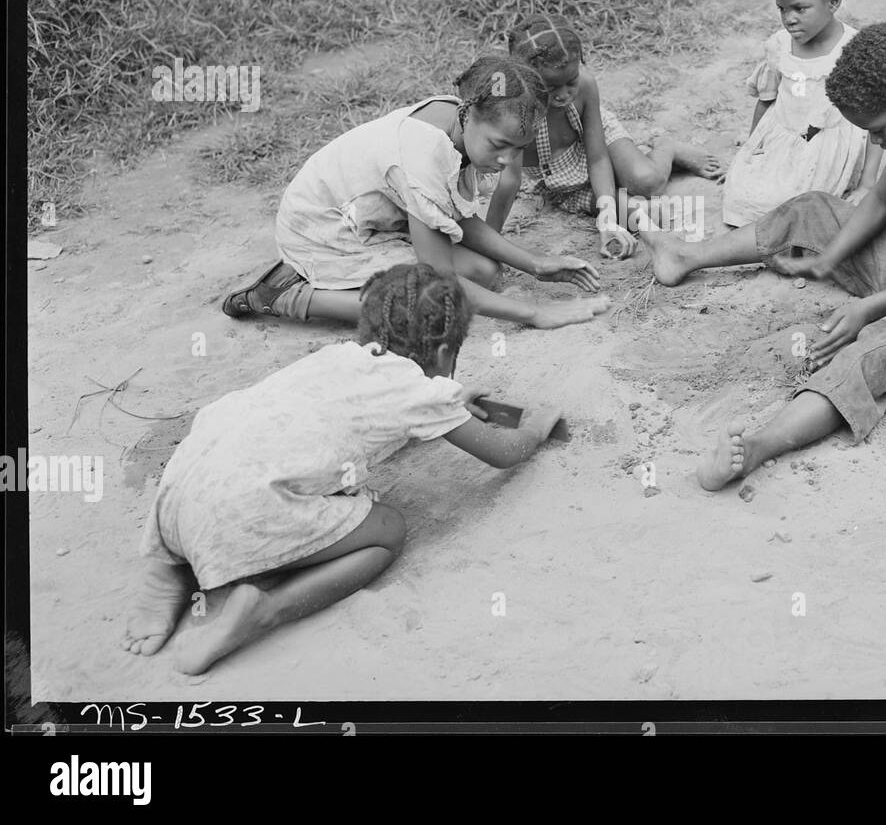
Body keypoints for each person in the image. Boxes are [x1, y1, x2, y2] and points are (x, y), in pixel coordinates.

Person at [641, 23, 886, 490]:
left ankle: (757, 449)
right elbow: (880, 204)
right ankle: (686, 256)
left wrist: (866, 309)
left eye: (878, 130)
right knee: (814, 209)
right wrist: (831, 258)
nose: (877, 142)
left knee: (864, 353)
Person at [125, 264, 564, 674]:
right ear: (447, 350)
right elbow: (504, 452)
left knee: (243, 486)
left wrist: (448, 411)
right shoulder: (419, 394)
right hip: (241, 513)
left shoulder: (336, 359)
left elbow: (370, 419)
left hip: (180, 491)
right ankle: (267, 609)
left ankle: (169, 569)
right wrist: (537, 429)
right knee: (388, 530)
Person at [221, 54, 610, 329]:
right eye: (499, 146)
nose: (509, 161)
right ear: (466, 115)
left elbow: (458, 217)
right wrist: (534, 313)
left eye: (518, 149)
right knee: (434, 306)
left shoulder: (460, 122)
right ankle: (280, 295)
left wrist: (536, 264)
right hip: (323, 229)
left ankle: (312, 281)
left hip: (375, 218)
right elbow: (439, 277)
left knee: (484, 271)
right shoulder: (422, 158)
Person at [501, 13, 724, 259]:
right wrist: (492, 240)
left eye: (570, 82)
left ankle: (666, 148)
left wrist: (605, 219)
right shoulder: (516, 111)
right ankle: (617, 185)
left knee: (649, 183)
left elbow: (597, 158)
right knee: (645, 215)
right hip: (561, 182)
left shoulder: (585, 86)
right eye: (551, 88)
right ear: (525, 79)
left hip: (595, 142)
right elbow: (509, 182)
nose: (564, 95)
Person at [722, 0, 881, 226]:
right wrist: (749, 153)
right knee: (744, 196)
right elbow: (766, 100)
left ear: (833, 3)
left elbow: (875, 122)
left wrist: (868, 185)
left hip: (826, 148)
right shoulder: (780, 46)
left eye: (800, 8)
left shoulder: (853, 50)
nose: (789, 18)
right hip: (784, 138)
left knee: (795, 209)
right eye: (782, 9)